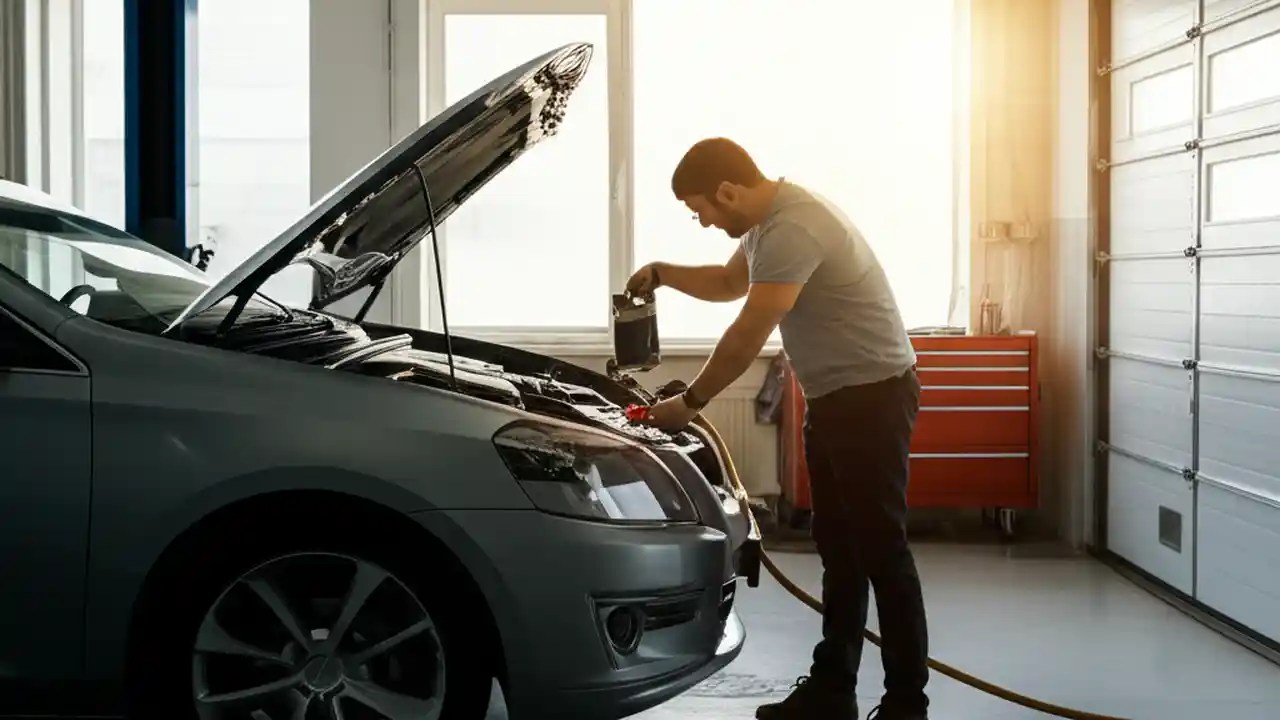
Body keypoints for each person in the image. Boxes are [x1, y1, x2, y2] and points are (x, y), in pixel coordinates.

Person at [630, 138, 929, 720]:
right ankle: (832, 692)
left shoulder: (796, 227)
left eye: (703, 210)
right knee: (840, 553)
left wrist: (690, 403)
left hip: (872, 399)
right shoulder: (762, 225)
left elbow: (749, 330)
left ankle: (904, 706)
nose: (705, 221)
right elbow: (727, 282)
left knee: (881, 551)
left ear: (728, 191)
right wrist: (663, 274)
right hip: (833, 398)